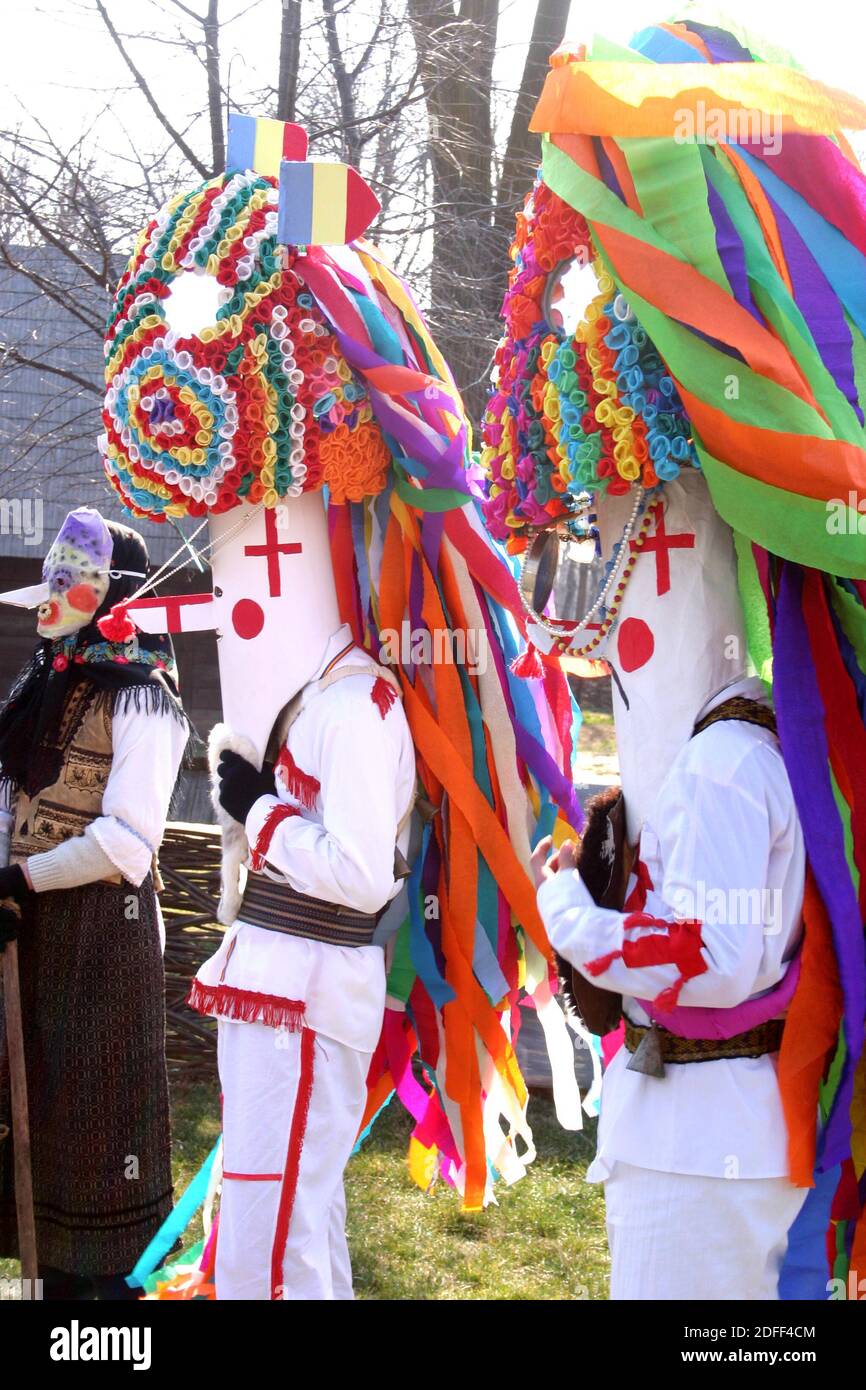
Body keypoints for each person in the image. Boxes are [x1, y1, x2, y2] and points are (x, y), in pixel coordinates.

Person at [0, 506, 190, 1300]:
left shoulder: (145, 698)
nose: (48, 598)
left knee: (96, 1132)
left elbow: (127, 845)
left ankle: (105, 1319)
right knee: (28, 1121)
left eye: (65, 582)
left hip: (97, 944)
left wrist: (24, 881)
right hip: (23, 928)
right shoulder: (43, 681)